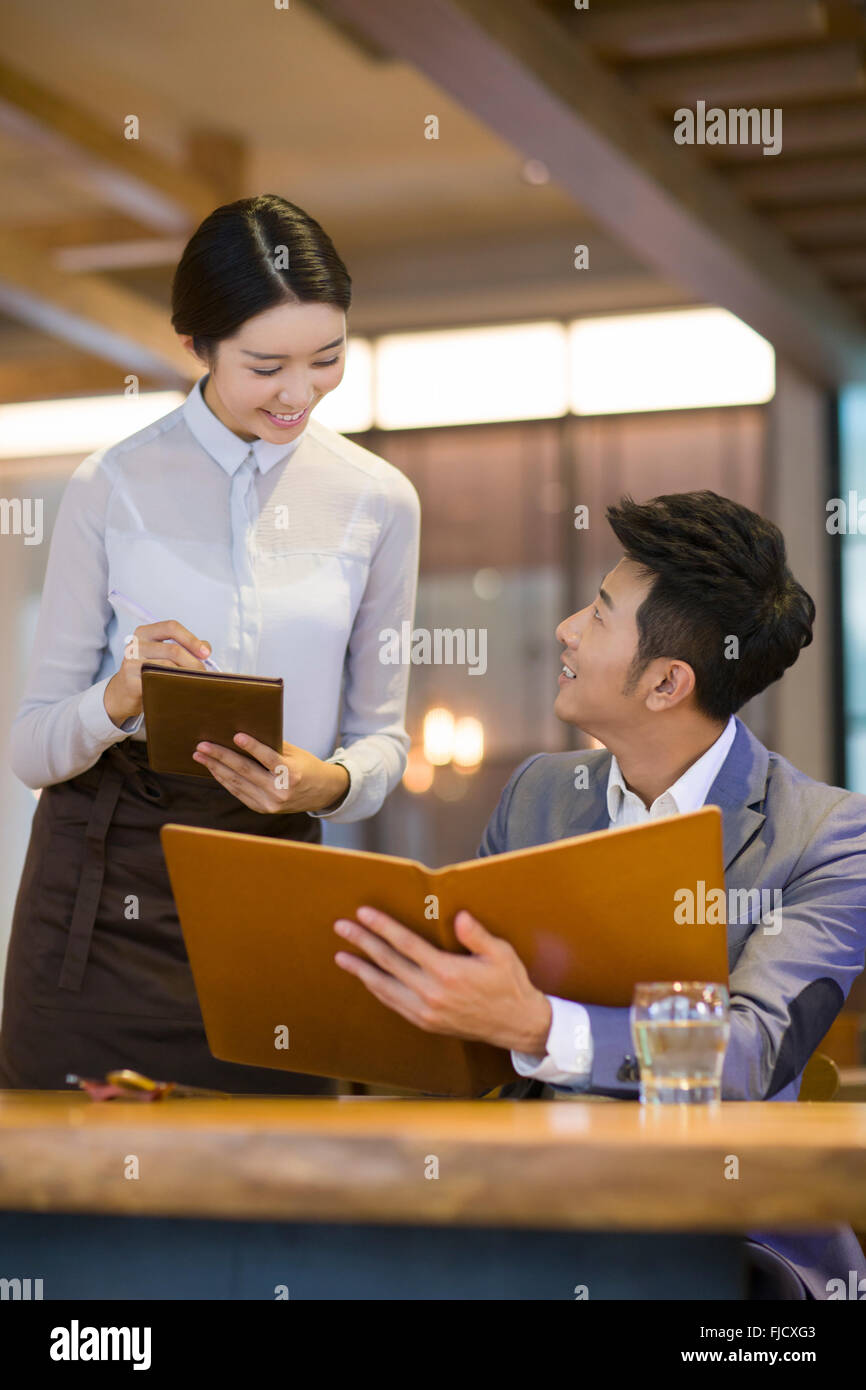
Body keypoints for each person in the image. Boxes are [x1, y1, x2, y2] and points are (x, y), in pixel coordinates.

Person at [330, 490, 866, 1298]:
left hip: (731, 1249)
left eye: (601, 614)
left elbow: (749, 1053)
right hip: (539, 1223)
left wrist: (540, 1024)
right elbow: (468, 1026)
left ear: (667, 683)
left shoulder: (827, 836)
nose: (566, 629)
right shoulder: (539, 794)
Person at [0, 193, 420, 1094]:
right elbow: (31, 747)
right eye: (266, 366)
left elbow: (383, 736)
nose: (299, 393)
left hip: (269, 878)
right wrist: (119, 697)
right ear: (196, 344)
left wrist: (327, 783)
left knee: (280, 1167)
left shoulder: (378, 500)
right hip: (101, 886)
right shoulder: (111, 485)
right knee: (69, 1173)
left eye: (327, 358)